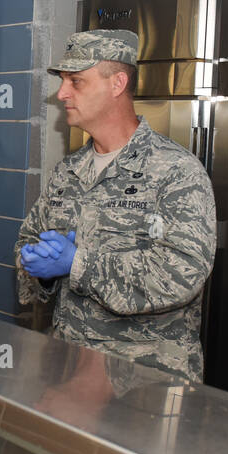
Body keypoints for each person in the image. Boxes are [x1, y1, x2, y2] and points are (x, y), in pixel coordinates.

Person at [15, 30, 216, 382]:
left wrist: (77, 265)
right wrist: (40, 272)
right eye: (63, 82)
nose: (62, 93)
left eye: (75, 81)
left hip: (145, 382)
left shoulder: (176, 172)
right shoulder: (68, 172)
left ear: (117, 83)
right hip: (70, 367)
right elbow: (28, 241)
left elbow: (182, 273)